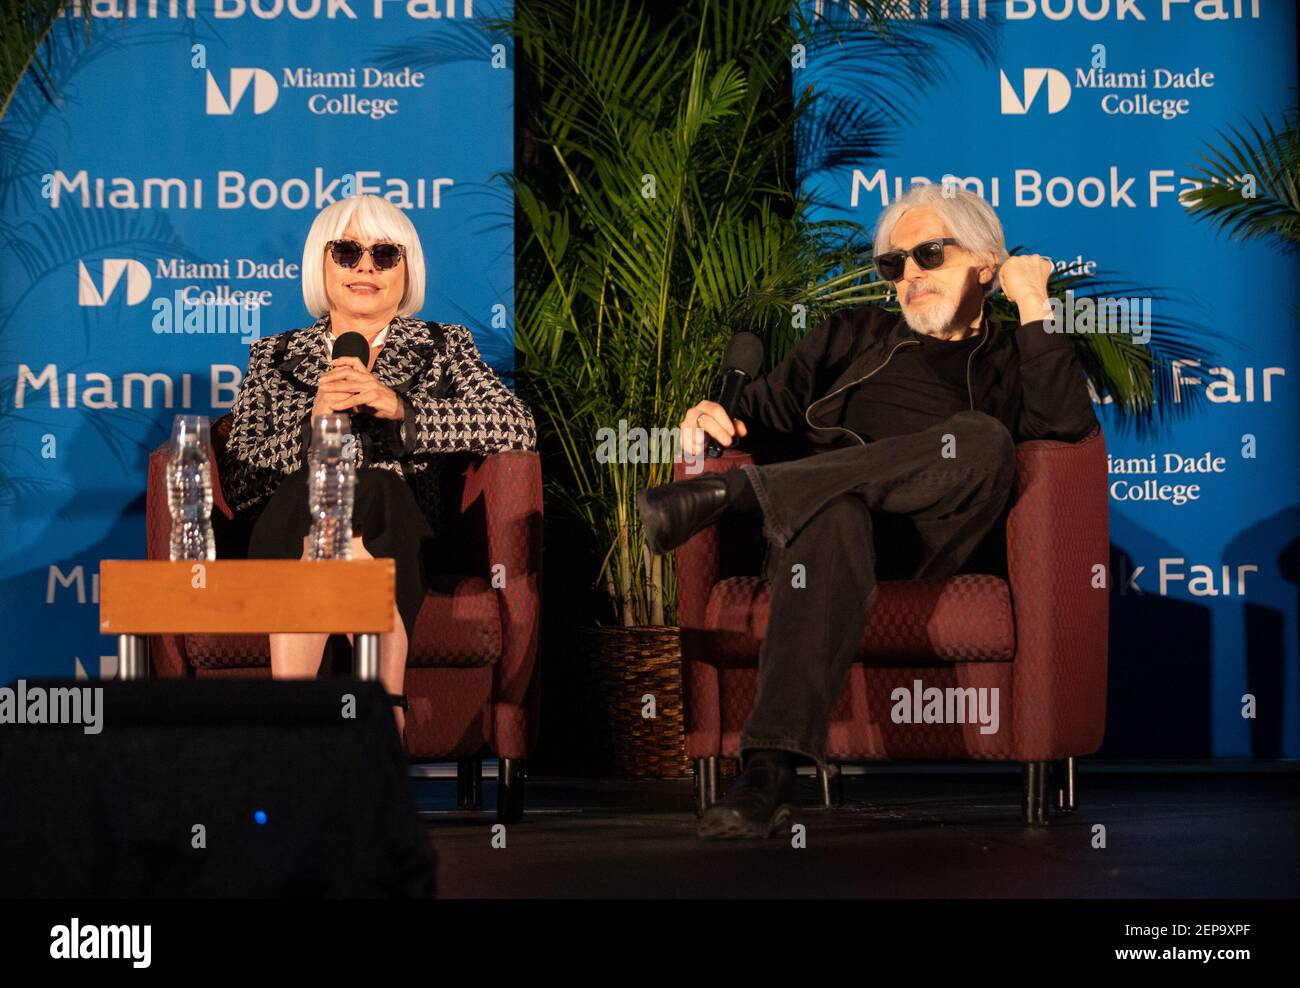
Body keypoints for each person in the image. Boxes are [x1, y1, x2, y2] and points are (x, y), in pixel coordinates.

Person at [637, 185, 1100, 838]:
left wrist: (1032, 304)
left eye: (930, 254)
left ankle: (738, 497)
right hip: (825, 538)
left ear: (986, 264)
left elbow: (1065, 429)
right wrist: (716, 415)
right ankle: (769, 771)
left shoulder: (1007, 353)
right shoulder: (849, 335)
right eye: (894, 264)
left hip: (935, 538)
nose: (909, 275)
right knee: (836, 509)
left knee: (980, 438)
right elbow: (761, 411)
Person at [219, 194, 537, 740]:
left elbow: (516, 425)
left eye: (385, 254)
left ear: (406, 269)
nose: (366, 266)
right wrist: (312, 425)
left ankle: (291, 721)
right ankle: (385, 707)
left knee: (377, 489)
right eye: (347, 252)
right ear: (322, 265)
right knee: (332, 491)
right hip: (291, 525)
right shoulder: (272, 356)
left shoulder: (443, 347)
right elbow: (243, 481)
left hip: (403, 532)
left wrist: (400, 409)